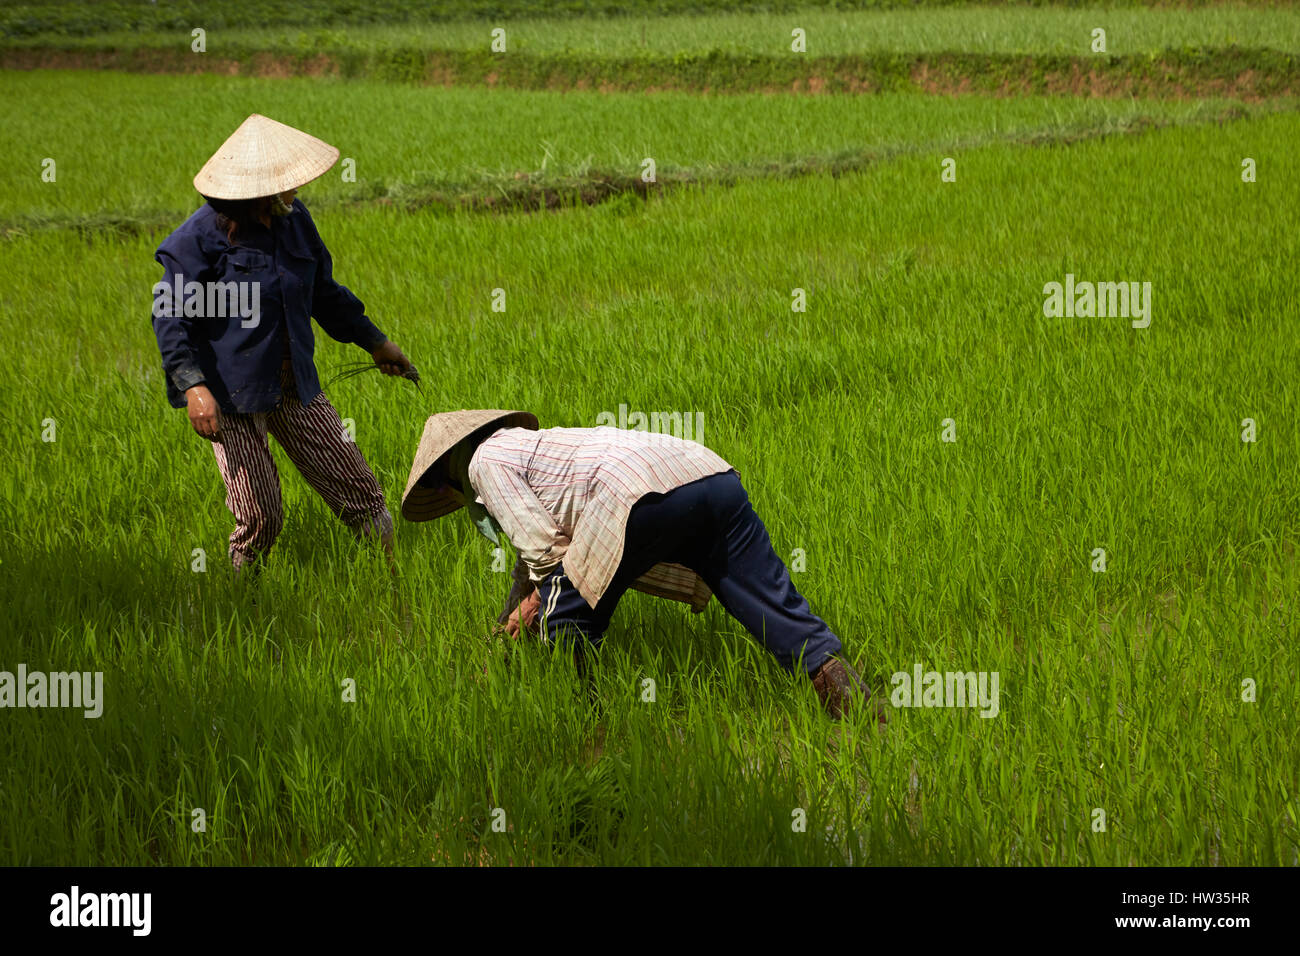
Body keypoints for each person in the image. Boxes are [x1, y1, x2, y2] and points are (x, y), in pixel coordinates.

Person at [399, 410, 884, 721]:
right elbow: (527, 571)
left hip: (634, 497)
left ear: (447, 482)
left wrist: (533, 613)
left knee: (565, 619)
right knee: (770, 603)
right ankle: (861, 717)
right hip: (709, 475)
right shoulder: (533, 445)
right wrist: (503, 626)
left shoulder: (484, 463)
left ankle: (585, 733)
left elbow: (544, 555)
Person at [151, 114, 415, 575]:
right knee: (261, 517)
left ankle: (394, 587)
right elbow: (171, 317)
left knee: (362, 493)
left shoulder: (294, 221)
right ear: (255, 189)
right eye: (285, 185)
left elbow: (324, 293)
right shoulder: (198, 239)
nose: (295, 191)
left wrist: (376, 342)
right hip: (231, 393)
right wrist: (194, 388)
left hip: (295, 384)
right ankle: (241, 600)